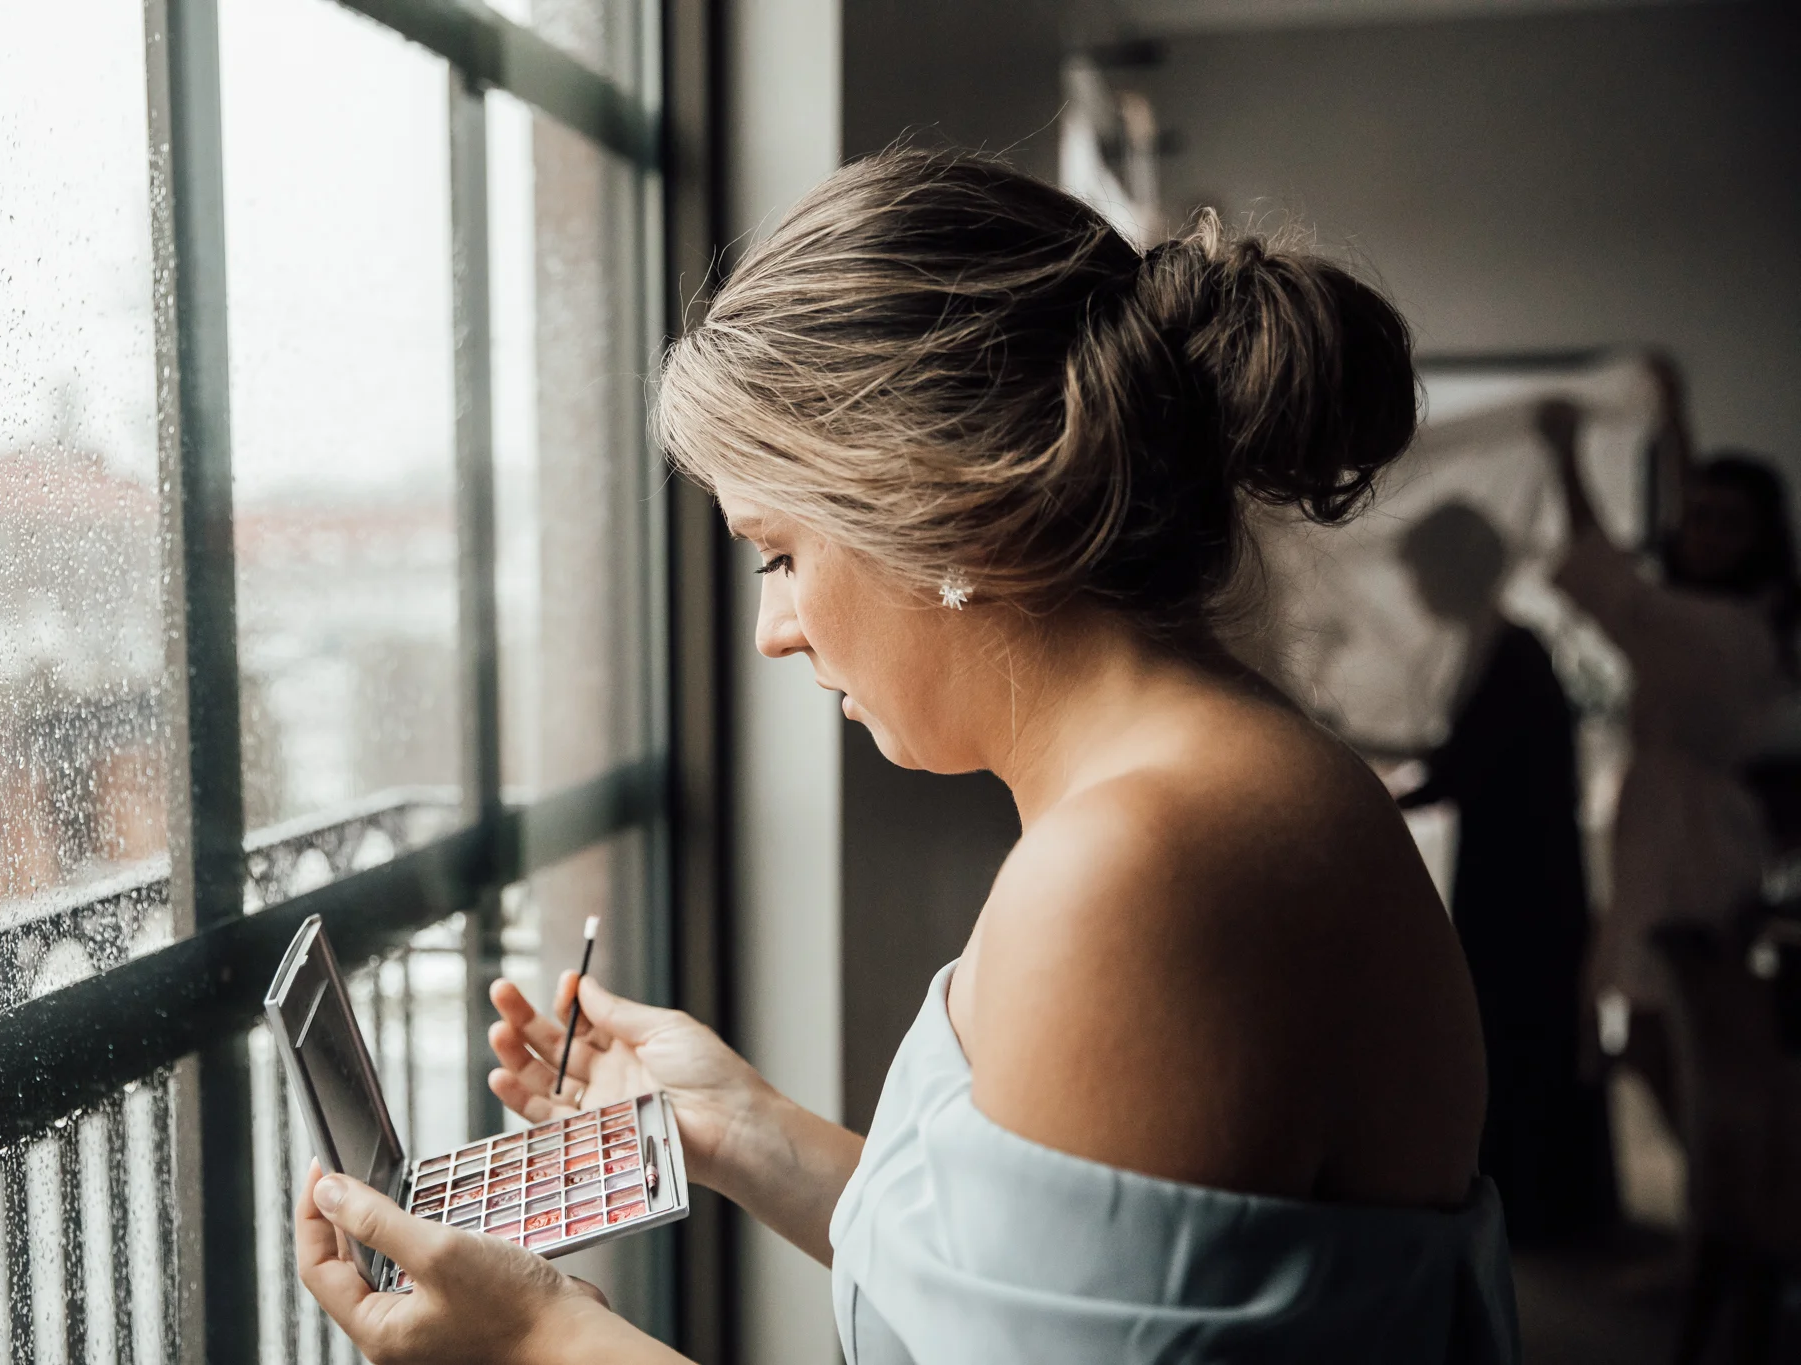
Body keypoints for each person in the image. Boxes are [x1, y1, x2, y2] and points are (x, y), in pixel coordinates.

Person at [294, 149, 1517, 1364]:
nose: (772, 630)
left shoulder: (1139, 870)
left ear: (944, 509)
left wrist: (539, 1340)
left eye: (778, 554)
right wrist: (738, 1127)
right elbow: (1041, 1294)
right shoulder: (1234, 786)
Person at [1540, 381, 1794, 1122]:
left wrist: (1564, 456)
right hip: (1690, 833)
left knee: (1681, 1029)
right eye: (1699, 518)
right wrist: (1677, 419)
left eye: (1728, 523)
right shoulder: (1748, 620)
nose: (1704, 533)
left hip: (1695, 845)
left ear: (1758, 538)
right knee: (1676, 1025)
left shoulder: (1718, 634)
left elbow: (1610, 585)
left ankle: (1724, 1186)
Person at [1392, 501, 1615, 1244]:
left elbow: (1471, 765)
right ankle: (1537, 1197)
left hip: (1527, 886)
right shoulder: (1493, 645)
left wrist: (1384, 794)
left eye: (1422, 573)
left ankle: (1545, 1203)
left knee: (1525, 1029)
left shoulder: (1513, 651)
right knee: (1515, 1027)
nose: (1417, 589)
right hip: (1516, 874)